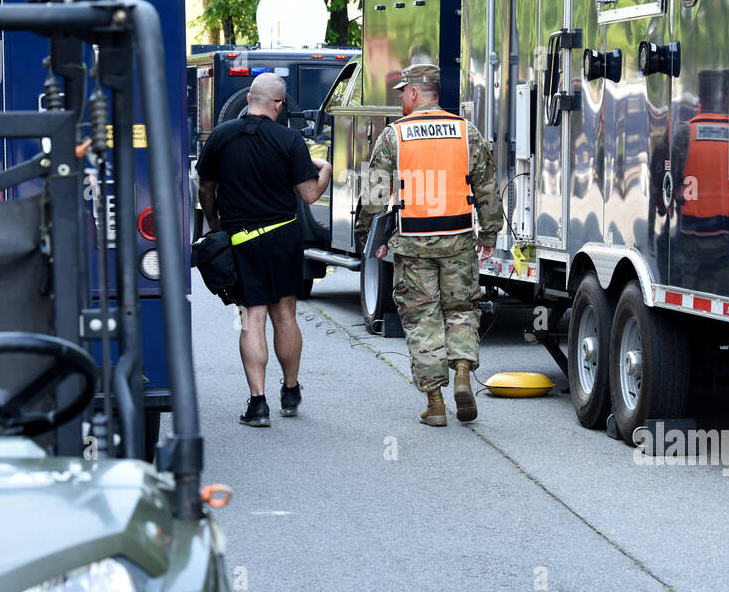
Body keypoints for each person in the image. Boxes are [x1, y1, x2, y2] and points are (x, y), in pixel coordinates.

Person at [356, 62, 502, 427]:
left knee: (422, 319)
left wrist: (367, 237)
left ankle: (435, 403)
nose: (402, 99)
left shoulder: (395, 136)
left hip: (413, 243)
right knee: (461, 310)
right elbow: (487, 187)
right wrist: (489, 234)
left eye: (404, 92)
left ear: (415, 93)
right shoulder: (465, 132)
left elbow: (374, 193)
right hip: (458, 240)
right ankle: (464, 373)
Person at [196, 72, 332, 427]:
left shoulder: (221, 137)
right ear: (278, 104)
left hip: (240, 239)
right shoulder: (290, 140)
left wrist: (215, 225)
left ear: (247, 100)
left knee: (251, 317)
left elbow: (205, 189)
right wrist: (327, 170)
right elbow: (309, 194)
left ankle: (258, 404)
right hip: (283, 237)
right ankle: (290, 392)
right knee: (284, 314)